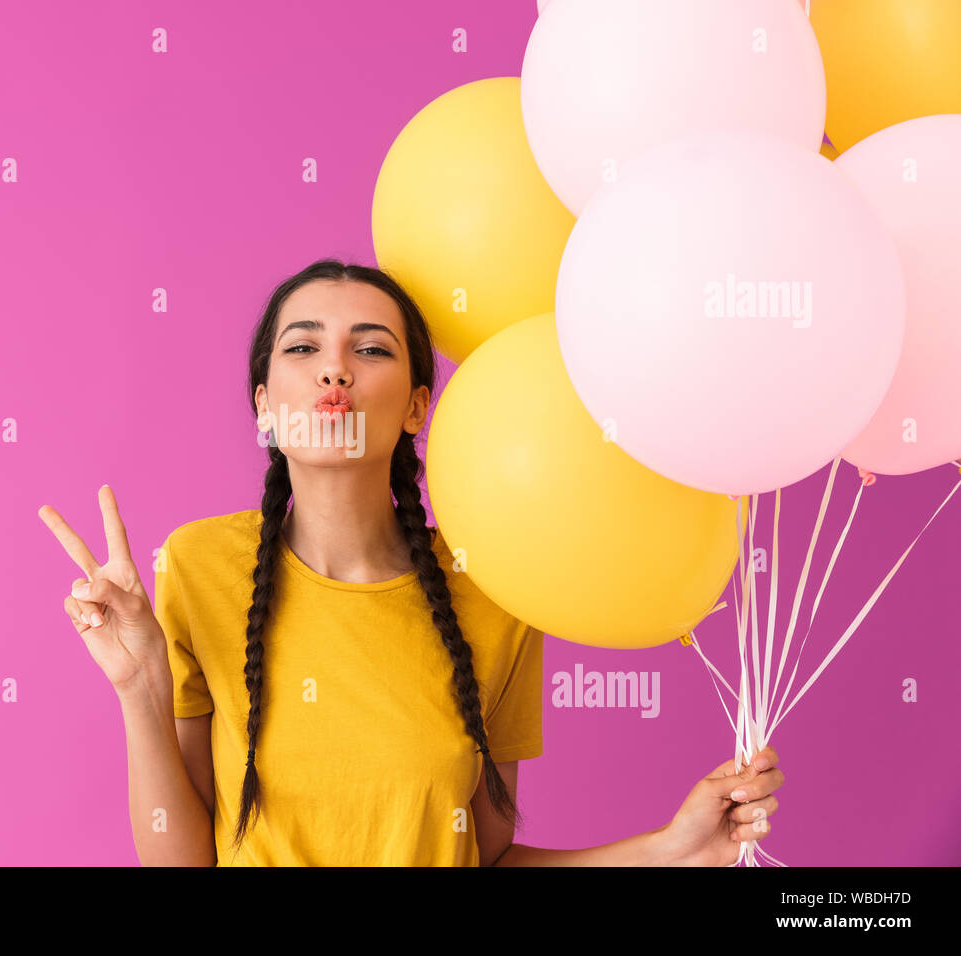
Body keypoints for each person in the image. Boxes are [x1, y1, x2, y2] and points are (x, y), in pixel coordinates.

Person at [39, 258, 784, 866]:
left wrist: (669, 851)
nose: (335, 371)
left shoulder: (493, 584)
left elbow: (483, 863)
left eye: (370, 349)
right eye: (303, 348)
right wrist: (140, 687)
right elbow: (183, 862)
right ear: (266, 407)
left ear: (417, 409)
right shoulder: (199, 566)